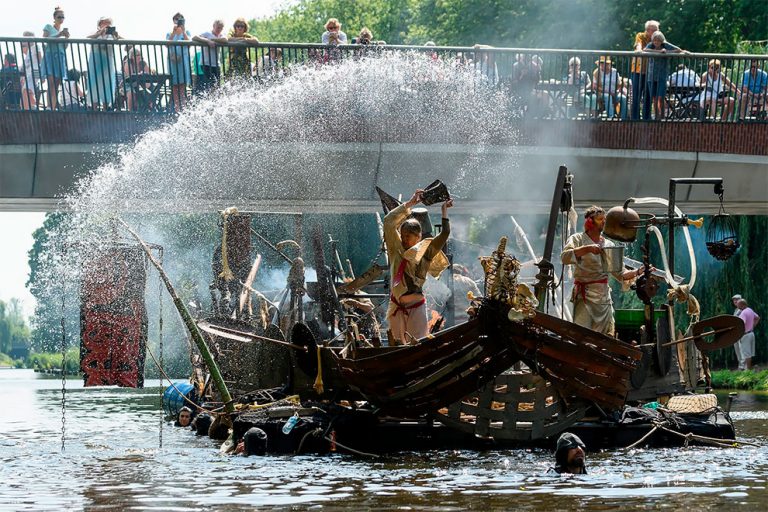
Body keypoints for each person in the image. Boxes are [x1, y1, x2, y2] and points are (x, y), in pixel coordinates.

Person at [560, 206, 645, 337]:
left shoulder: (609, 245)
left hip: (603, 297)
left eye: (604, 219)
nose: (604, 222)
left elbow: (620, 274)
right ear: (590, 222)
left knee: (606, 337)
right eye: (600, 219)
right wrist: (587, 248)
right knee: (581, 335)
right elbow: (565, 257)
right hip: (584, 295)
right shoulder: (577, 239)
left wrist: (638, 272)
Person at [383, 190, 452, 345]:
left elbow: (445, 233)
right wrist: (411, 203)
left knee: (418, 343)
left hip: (417, 306)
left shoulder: (426, 252)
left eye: (409, 235)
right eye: (403, 234)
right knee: (397, 345)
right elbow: (388, 221)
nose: (404, 238)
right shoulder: (396, 249)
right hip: (397, 305)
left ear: (419, 237)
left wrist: (444, 210)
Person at [643, 31, 687, 119]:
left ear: (662, 41)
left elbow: (678, 50)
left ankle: (662, 116)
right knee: (654, 98)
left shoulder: (665, 45)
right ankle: (656, 116)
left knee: (661, 97)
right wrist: (659, 51)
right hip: (651, 77)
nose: (656, 42)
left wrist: (667, 51)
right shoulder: (650, 45)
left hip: (662, 76)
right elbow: (644, 50)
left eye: (658, 41)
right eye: (655, 40)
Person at [85, 17, 119, 110]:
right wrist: (98, 34)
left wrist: (116, 36)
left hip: (107, 62)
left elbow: (123, 42)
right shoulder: (94, 32)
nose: (107, 25)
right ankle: (94, 108)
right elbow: (87, 39)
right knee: (94, 82)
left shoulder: (112, 35)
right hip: (95, 60)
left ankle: (105, 108)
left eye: (109, 23)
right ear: (99, 24)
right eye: (104, 23)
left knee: (107, 83)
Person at [41, 6, 70, 110]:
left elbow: (64, 47)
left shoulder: (62, 31)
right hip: (50, 56)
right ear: (54, 17)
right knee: (51, 82)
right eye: (59, 17)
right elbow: (45, 39)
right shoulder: (48, 26)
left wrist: (66, 38)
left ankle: (53, 107)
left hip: (60, 56)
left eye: (63, 17)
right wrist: (59, 35)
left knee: (57, 85)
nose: (61, 19)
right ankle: (49, 106)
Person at [630, 20, 659, 120]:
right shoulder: (640, 36)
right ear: (647, 30)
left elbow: (666, 46)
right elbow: (638, 45)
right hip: (638, 71)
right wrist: (639, 50)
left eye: (655, 29)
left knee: (648, 96)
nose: (653, 32)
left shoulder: (658, 38)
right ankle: (635, 118)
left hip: (650, 72)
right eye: (651, 29)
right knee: (636, 95)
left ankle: (647, 117)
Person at [192, 20, 227, 92]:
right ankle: (210, 98)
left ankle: (214, 99)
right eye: (218, 27)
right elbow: (194, 37)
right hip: (206, 63)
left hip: (216, 64)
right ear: (213, 26)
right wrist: (207, 41)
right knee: (212, 82)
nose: (219, 30)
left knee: (217, 84)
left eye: (221, 28)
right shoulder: (207, 34)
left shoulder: (221, 36)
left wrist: (212, 39)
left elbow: (225, 40)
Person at [166, 12, 191, 111]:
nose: (178, 20)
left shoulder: (187, 32)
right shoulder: (169, 33)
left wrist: (183, 31)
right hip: (173, 63)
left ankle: (183, 110)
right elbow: (167, 44)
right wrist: (173, 32)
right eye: (176, 19)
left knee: (182, 87)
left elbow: (189, 44)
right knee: (175, 87)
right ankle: (177, 111)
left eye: (180, 19)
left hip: (183, 62)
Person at [736, 298, 760, 371]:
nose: (737, 306)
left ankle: (748, 370)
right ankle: (748, 369)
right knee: (750, 353)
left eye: (738, 305)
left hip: (745, 335)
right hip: (751, 333)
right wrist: (752, 326)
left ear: (742, 305)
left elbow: (741, 324)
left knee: (747, 354)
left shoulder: (743, 313)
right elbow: (758, 318)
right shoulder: (750, 310)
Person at [20, 32, 42, 110]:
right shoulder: (29, 50)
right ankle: (33, 106)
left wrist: (42, 75)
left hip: (35, 72)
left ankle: (26, 110)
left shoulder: (35, 47)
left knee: (26, 90)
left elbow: (40, 59)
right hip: (30, 73)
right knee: (27, 91)